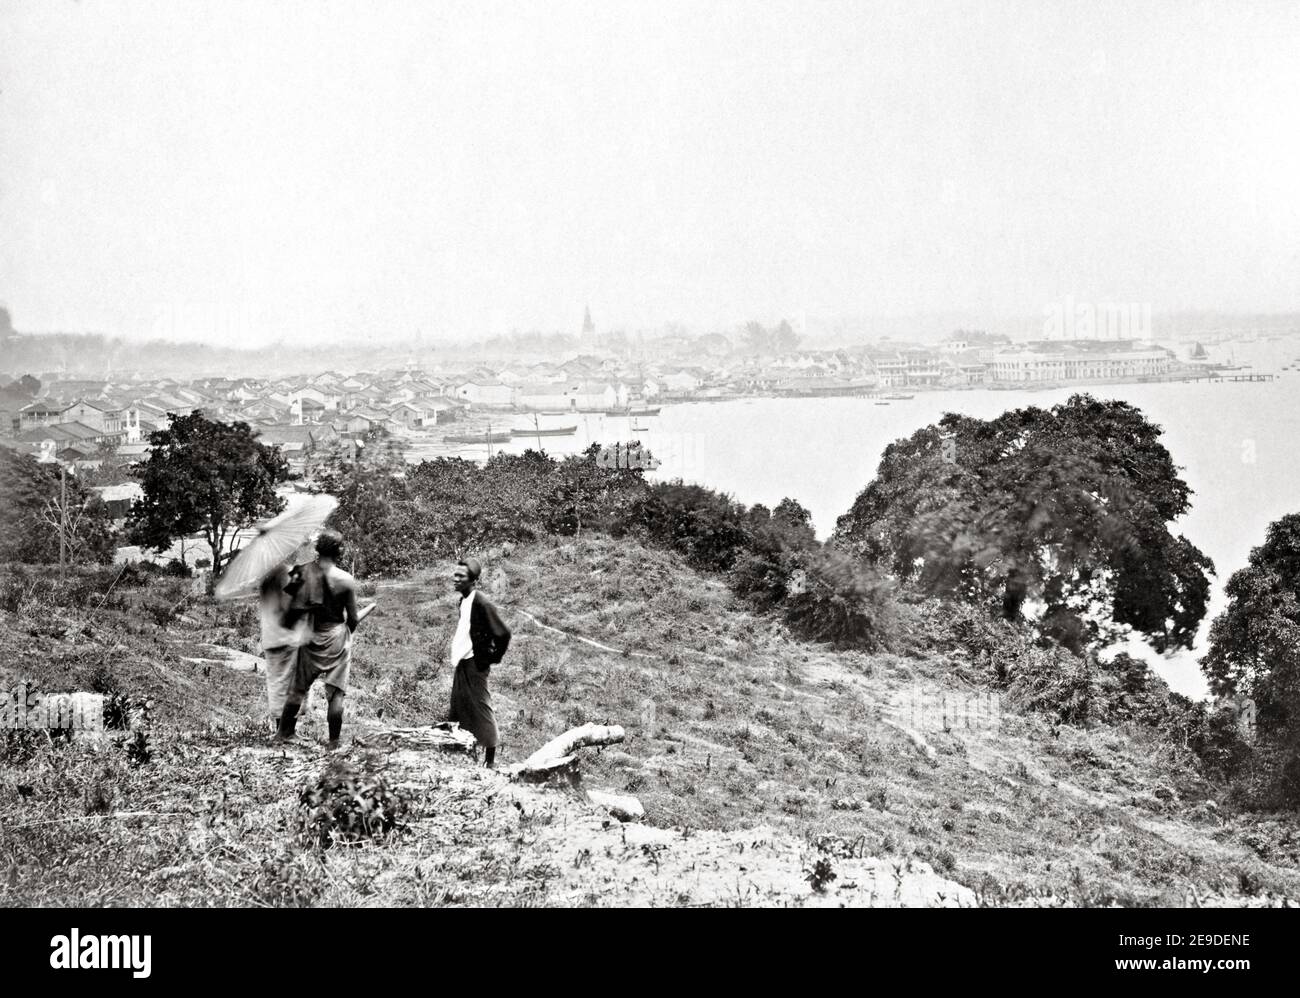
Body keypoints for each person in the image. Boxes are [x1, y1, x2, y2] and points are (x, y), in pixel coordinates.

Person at [275, 530, 360, 749]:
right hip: (336, 637)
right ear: (338, 550)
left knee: (298, 687)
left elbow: (287, 607)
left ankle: (284, 733)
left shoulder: (300, 571)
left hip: (310, 634)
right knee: (336, 692)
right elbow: (353, 618)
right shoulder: (345, 580)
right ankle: (333, 742)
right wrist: (346, 635)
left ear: (318, 548)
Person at [447, 557, 510, 768]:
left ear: (473, 580)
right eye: (455, 575)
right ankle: (460, 752)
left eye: (461, 576)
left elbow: (503, 633)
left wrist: (491, 658)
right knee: (458, 707)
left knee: (482, 709)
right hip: (462, 662)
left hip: (475, 664)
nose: (455, 579)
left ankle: (490, 761)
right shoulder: (463, 600)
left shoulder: (480, 601)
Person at [259, 562, 307, 730]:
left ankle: (283, 730)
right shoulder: (285, 574)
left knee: (278, 685)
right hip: (287, 637)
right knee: (292, 686)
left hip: (271, 637)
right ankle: (286, 732)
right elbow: (289, 609)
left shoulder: (265, 575)